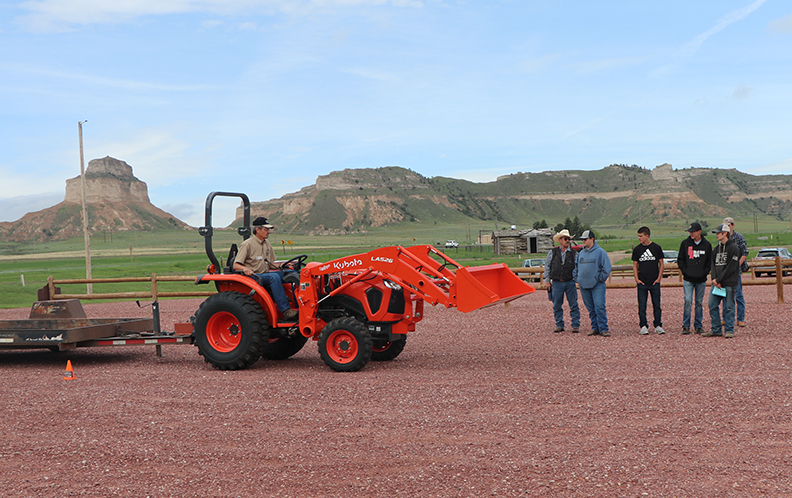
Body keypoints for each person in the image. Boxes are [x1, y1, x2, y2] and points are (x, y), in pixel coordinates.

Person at [233, 217, 298, 321]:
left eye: (269, 229)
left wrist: (284, 265)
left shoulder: (267, 244)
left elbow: (272, 264)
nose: (269, 232)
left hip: (265, 274)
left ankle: (299, 305)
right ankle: (285, 311)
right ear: (257, 230)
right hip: (254, 276)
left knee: (293, 274)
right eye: (266, 229)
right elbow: (236, 265)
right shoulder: (247, 244)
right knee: (274, 277)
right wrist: (245, 269)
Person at [703, 224, 740, 338]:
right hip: (716, 284)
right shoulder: (716, 249)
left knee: (729, 306)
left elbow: (731, 267)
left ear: (726, 233)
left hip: (728, 283)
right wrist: (714, 279)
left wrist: (719, 279)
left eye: (719, 233)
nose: (717, 235)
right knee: (712, 304)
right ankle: (716, 329)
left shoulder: (734, 248)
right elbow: (713, 265)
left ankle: (729, 330)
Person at [573, 230, 612, 337]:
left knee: (599, 306)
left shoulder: (600, 252)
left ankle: (603, 328)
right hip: (583, 285)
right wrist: (577, 278)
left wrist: (599, 279)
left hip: (597, 285)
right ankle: (595, 328)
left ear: (592, 239)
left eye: (585, 239)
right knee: (590, 308)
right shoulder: (581, 253)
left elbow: (607, 268)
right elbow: (576, 267)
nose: (583, 241)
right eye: (582, 240)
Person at [677, 222, 712, 335]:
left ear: (699, 232)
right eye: (690, 232)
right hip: (688, 278)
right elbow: (681, 259)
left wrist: (704, 272)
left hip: (701, 279)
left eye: (693, 232)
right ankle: (686, 326)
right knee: (688, 301)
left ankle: (698, 325)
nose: (691, 234)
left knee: (698, 302)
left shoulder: (707, 245)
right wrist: (685, 271)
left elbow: (709, 261)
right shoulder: (685, 243)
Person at [544, 229, 580, 333]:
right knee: (556, 305)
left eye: (568, 239)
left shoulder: (574, 253)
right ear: (560, 240)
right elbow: (547, 266)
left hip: (570, 281)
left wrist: (576, 278)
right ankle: (559, 324)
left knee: (573, 304)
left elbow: (578, 267)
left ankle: (575, 325)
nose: (567, 240)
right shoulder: (552, 252)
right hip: (556, 282)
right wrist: (547, 281)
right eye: (565, 238)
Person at [631, 226, 665, 335]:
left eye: (641, 236)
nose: (639, 238)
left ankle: (658, 325)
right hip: (642, 282)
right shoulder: (637, 249)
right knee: (642, 305)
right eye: (638, 236)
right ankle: (643, 325)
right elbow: (635, 264)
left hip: (654, 282)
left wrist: (659, 278)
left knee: (657, 305)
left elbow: (661, 263)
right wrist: (636, 279)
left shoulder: (656, 248)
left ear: (647, 236)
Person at [723, 217, 748, 327]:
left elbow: (744, 253)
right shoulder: (723, 238)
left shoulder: (739, 238)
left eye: (728, 225)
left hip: (735, 272)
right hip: (725, 272)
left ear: (732, 225)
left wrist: (736, 265)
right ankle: (725, 317)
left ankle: (740, 318)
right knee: (725, 295)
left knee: (738, 295)